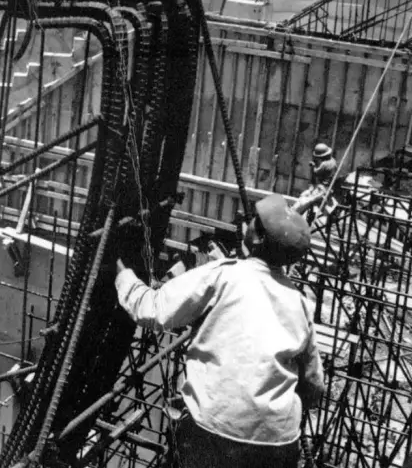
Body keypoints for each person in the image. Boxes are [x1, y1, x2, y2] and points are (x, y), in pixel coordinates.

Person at [114, 194, 324, 467]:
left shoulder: (224, 275)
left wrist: (123, 275)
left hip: (214, 434)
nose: (247, 222)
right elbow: (314, 386)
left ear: (258, 237)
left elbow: (152, 309)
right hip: (279, 444)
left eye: (253, 221)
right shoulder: (301, 304)